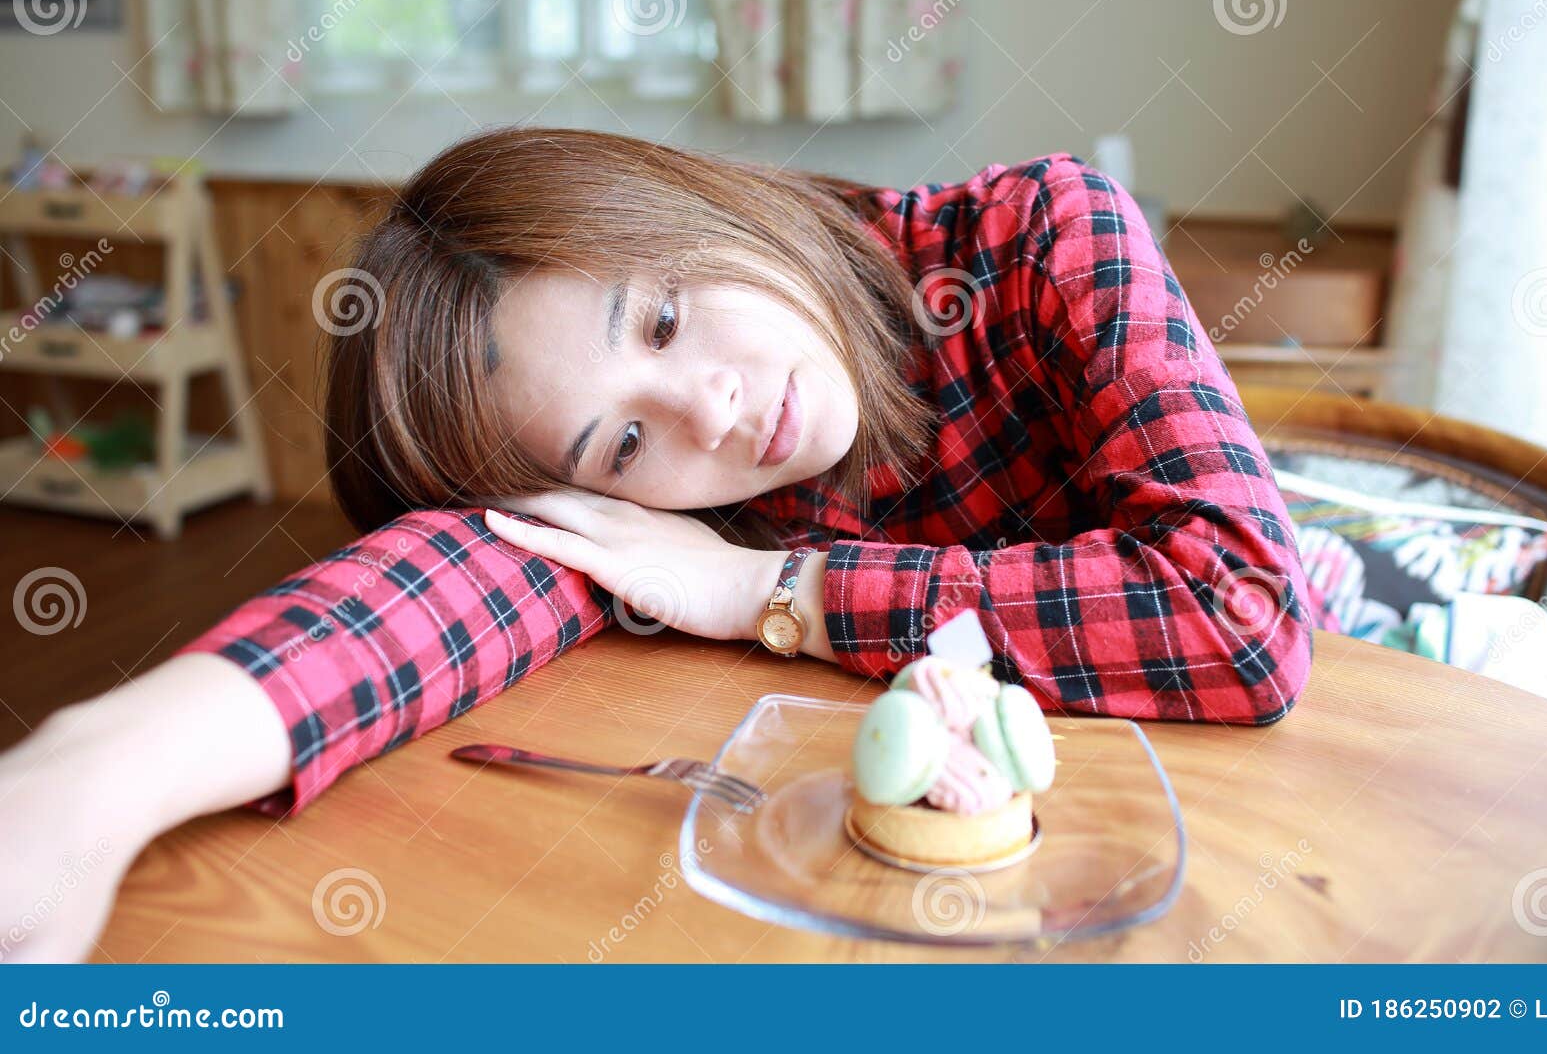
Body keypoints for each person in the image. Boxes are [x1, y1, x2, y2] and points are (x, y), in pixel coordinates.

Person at [0, 127, 1312, 961]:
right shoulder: (669, 517)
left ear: (684, 204)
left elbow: (1239, 610)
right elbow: (450, 579)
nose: (713, 412)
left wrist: (768, 590)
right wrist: (93, 775)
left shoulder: (1040, 237)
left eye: (668, 318)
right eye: (622, 445)